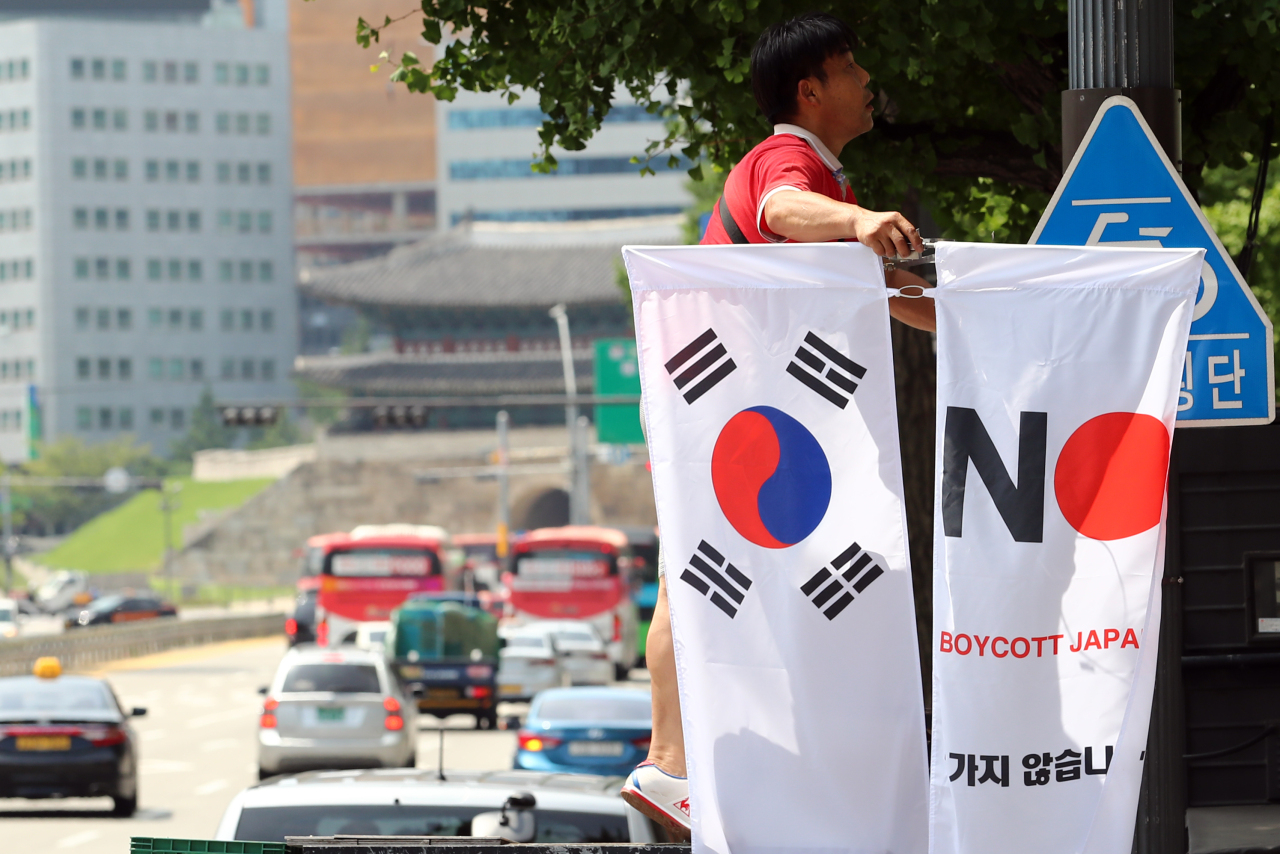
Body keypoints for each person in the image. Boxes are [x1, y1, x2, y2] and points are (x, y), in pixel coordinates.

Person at [619, 12, 935, 840]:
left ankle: (702, 762)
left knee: (736, 573)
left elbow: (891, 294)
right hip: (719, 402)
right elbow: (782, 209)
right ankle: (669, 764)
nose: (867, 80)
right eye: (851, 67)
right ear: (810, 90)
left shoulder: (834, 191)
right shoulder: (789, 164)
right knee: (700, 571)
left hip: (741, 407)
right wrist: (858, 223)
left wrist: (978, 321)